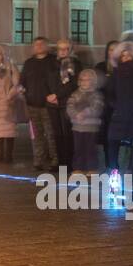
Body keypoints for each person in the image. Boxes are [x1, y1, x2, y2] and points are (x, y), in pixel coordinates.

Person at [103, 40, 133, 179]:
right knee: (112, 139)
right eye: (123, 55)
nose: (125, 58)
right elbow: (110, 91)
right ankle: (114, 168)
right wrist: (115, 105)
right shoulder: (116, 72)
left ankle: (129, 168)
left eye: (128, 55)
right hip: (119, 112)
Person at [20, 37, 58, 173]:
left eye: (42, 44)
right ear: (33, 47)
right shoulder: (29, 63)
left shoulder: (54, 62)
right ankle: (38, 161)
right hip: (32, 106)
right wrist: (21, 90)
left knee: (51, 134)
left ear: (47, 46)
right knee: (36, 135)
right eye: (36, 44)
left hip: (49, 106)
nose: (39, 46)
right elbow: (22, 81)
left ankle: (55, 160)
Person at [47, 39, 82, 171]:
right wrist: (49, 95)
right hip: (53, 104)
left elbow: (73, 84)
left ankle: (69, 162)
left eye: (66, 48)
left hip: (67, 103)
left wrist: (57, 95)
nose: (63, 51)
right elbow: (46, 81)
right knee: (57, 134)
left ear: (70, 50)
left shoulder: (75, 64)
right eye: (60, 49)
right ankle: (61, 163)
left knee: (68, 134)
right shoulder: (51, 64)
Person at [0, 45, 21, 164]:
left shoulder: (10, 66)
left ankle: (8, 156)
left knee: (8, 130)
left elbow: (16, 83)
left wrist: (10, 95)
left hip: (7, 103)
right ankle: (0, 154)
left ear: (4, 55)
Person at [66, 68, 104, 173]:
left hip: (91, 127)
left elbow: (97, 108)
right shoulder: (75, 94)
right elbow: (69, 106)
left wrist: (85, 113)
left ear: (93, 81)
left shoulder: (96, 95)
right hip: (77, 127)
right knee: (78, 148)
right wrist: (75, 114)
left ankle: (91, 168)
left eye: (88, 80)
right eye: (82, 80)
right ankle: (78, 167)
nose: (84, 82)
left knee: (90, 148)